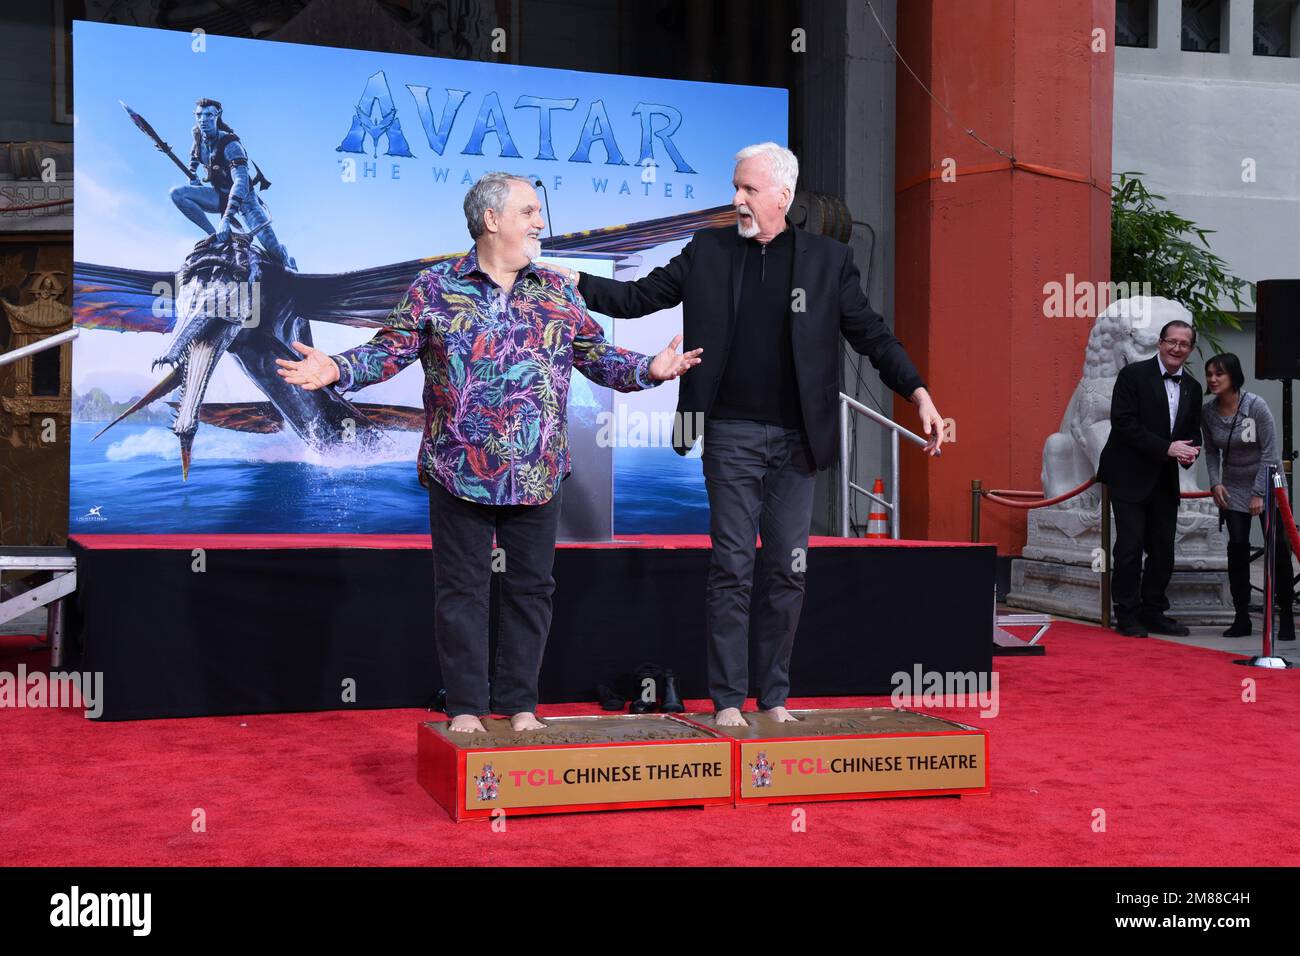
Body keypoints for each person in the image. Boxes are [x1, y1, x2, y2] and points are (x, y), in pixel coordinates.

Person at [274, 172, 701, 732]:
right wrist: (336, 368)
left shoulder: (556, 290)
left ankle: (521, 705)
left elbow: (598, 357)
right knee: (462, 592)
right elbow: (389, 350)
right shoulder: (434, 288)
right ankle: (467, 708)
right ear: (492, 219)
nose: (540, 222)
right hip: (458, 468)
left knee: (531, 593)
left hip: (538, 470)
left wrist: (649, 369)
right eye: (528, 211)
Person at [545, 143, 943, 727]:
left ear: (783, 196)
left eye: (749, 190)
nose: (737, 199)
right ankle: (729, 699)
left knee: (787, 569)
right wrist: (572, 278)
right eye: (735, 187)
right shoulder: (707, 251)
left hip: (797, 441)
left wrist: (919, 393)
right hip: (727, 433)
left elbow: (873, 337)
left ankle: (774, 697)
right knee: (732, 564)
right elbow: (636, 299)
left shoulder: (827, 262)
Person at [1097, 319, 1203, 637]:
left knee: (1163, 549)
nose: (1176, 348)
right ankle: (1127, 615)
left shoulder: (1194, 388)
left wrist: (1190, 451)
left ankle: (1154, 610)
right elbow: (1123, 423)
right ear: (1160, 343)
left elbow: (1191, 431)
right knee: (1129, 547)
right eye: (1171, 341)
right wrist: (1167, 448)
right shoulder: (1133, 375)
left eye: (1184, 344)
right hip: (1128, 474)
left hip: (1164, 478)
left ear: (1191, 349)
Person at [1201, 352, 1294, 640]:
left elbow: (1270, 451)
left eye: (1220, 374)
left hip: (1268, 481)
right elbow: (1211, 451)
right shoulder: (1208, 412)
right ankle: (1241, 616)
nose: (1214, 380)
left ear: (1234, 377)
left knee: (1277, 549)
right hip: (1233, 485)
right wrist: (1215, 483)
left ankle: (1286, 615)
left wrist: (1259, 492)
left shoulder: (1256, 406)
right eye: (1210, 375)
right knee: (1237, 549)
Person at [170, 98, 296, 270]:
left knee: (273, 249)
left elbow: (241, 181)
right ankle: (215, 237)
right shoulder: (198, 138)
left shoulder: (231, 144)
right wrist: (192, 177)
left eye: (208, 115)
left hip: (246, 201)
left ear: (217, 116)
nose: (203, 120)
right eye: (199, 115)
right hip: (219, 194)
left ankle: (288, 262)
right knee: (177, 194)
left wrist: (226, 219)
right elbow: (194, 159)